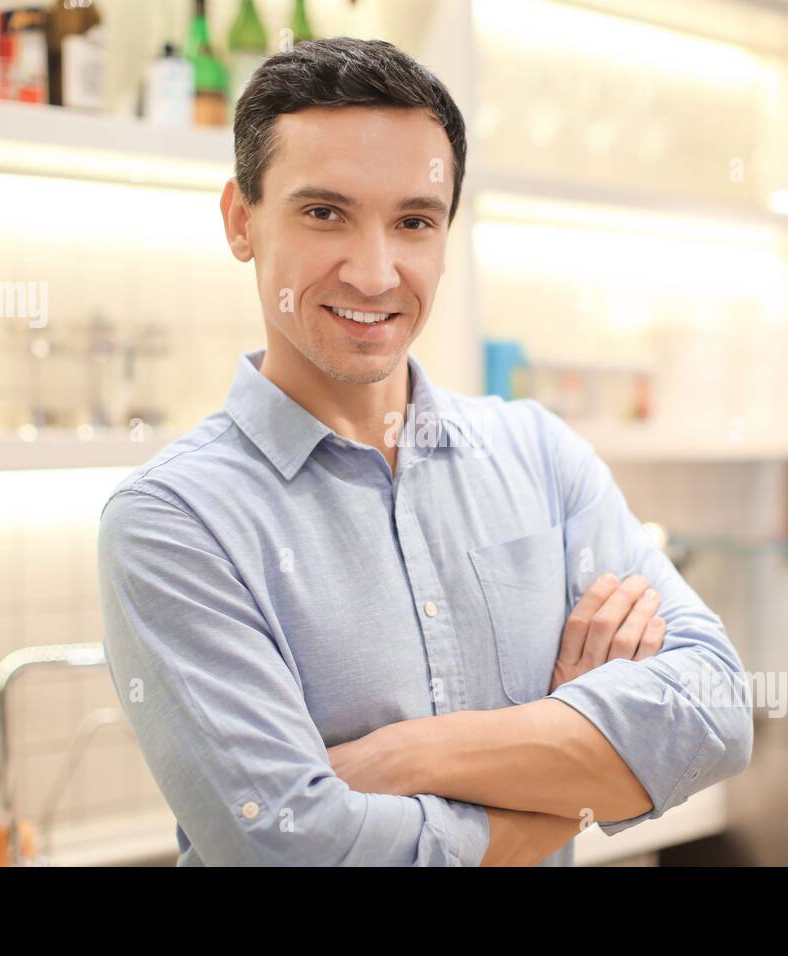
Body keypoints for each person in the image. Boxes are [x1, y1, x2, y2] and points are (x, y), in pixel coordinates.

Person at [97, 36, 752, 866]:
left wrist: (411, 756)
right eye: (325, 212)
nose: (375, 274)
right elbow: (296, 850)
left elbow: (717, 711)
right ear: (242, 221)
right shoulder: (174, 522)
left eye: (414, 221)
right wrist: (569, 773)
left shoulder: (540, 457)